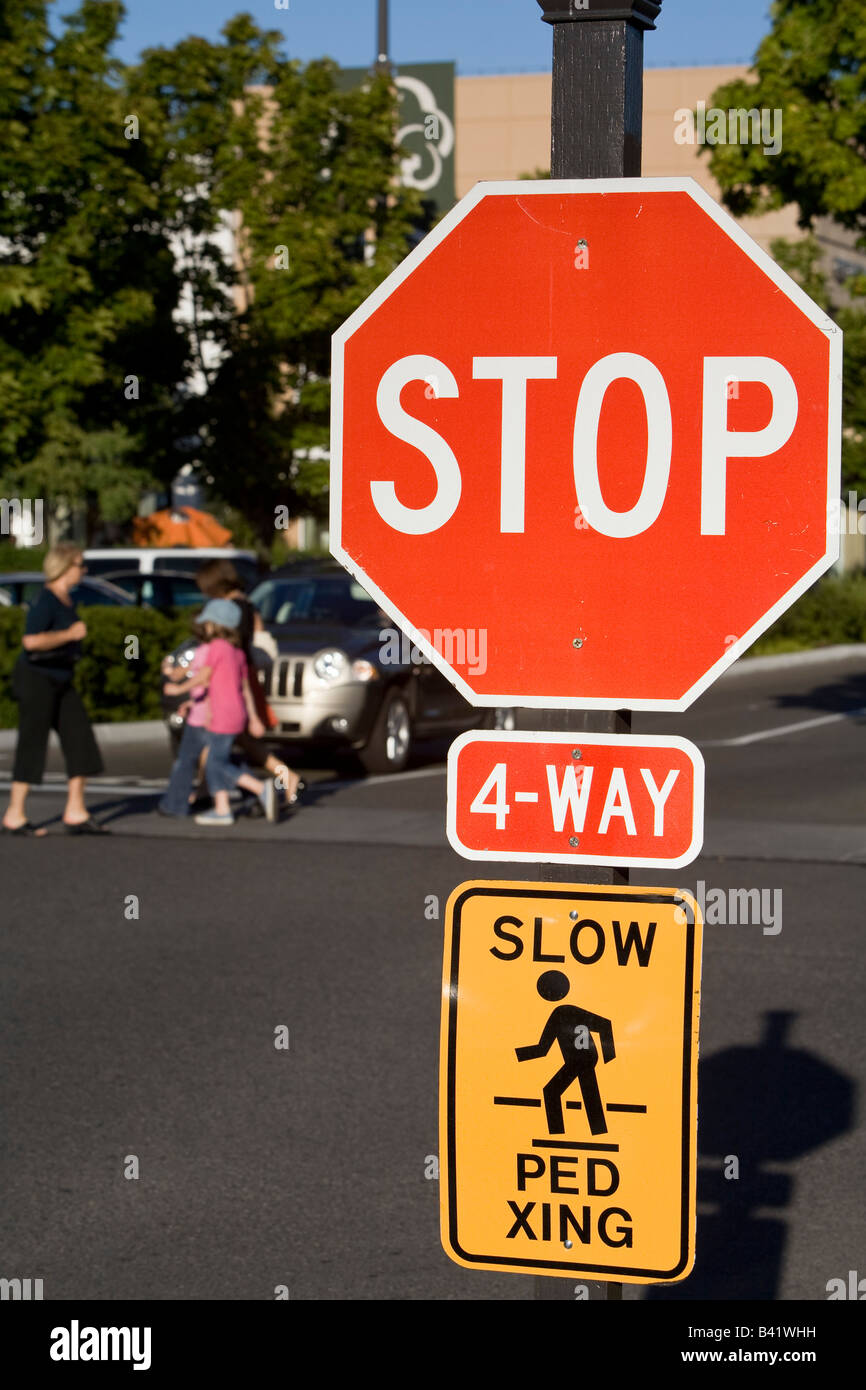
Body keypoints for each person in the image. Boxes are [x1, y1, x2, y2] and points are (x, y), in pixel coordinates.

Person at [2, 542, 108, 836]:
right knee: (33, 742)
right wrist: (70, 634)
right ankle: (15, 813)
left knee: (80, 739)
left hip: (62, 677)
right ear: (64, 566)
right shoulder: (46, 600)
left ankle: (76, 811)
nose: (83, 571)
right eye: (79, 565)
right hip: (37, 678)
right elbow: (31, 641)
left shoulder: (66, 600)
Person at [194, 559, 301, 811]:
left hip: (231, 678)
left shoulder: (228, 609)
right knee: (242, 740)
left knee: (219, 738)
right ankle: (284, 777)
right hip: (244, 674)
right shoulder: (247, 605)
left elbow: (225, 645)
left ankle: (205, 792)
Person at [164, 599, 273, 826]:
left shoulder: (216, 648)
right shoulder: (237, 652)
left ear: (215, 625)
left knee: (216, 764)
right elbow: (245, 689)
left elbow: (204, 677)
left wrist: (178, 689)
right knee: (217, 760)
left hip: (222, 715)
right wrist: (252, 718)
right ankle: (223, 808)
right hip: (236, 714)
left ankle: (260, 789)